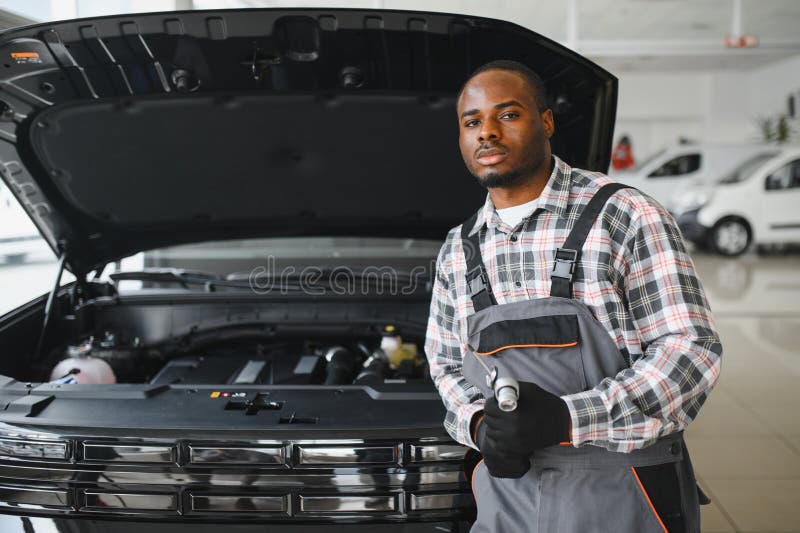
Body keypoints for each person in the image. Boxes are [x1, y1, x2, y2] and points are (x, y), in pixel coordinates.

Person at [424, 60, 722, 533]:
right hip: (511, 500)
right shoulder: (459, 250)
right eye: (472, 121)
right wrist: (479, 425)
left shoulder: (625, 215)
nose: (487, 133)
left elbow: (689, 352)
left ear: (546, 121)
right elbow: (445, 365)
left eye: (508, 114)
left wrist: (567, 418)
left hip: (626, 493)